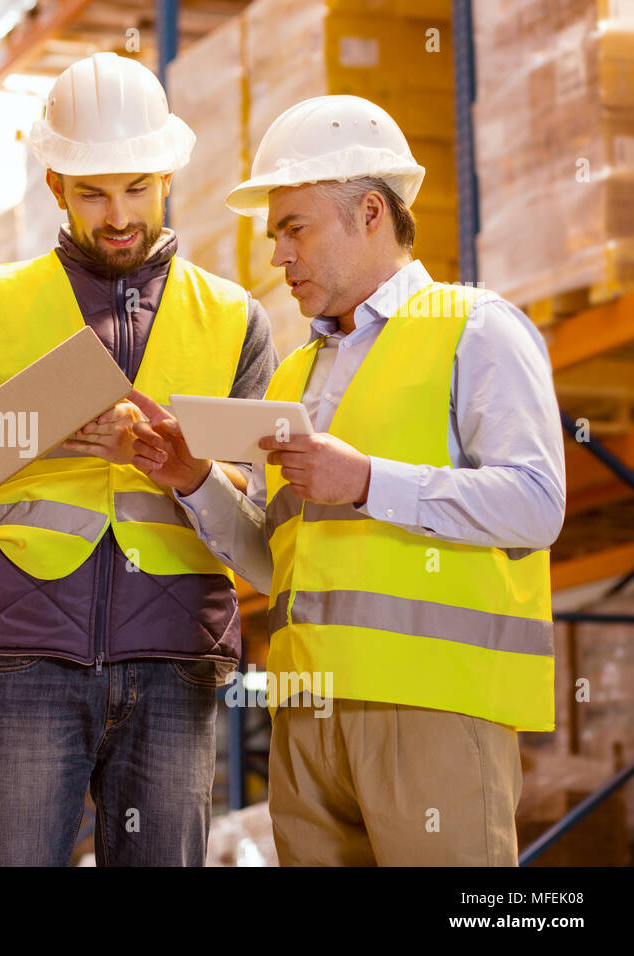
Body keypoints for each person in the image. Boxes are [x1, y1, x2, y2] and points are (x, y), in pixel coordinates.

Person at [0, 52, 277, 866]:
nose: (118, 214)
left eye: (137, 188)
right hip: (24, 651)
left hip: (173, 659)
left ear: (168, 175)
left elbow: (263, 514)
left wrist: (181, 467)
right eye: (94, 192)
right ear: (56, 188)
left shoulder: (236, 321)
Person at [128, 94, 566, 866]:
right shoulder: (295, 374)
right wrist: (193, 478)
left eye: (294, 229)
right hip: (305, 717)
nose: (278, 257)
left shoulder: (476, 326)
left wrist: (367, 481)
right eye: (275, 236)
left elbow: (537, 505)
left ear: (370, 212)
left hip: (432, 707)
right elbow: (276, 560)